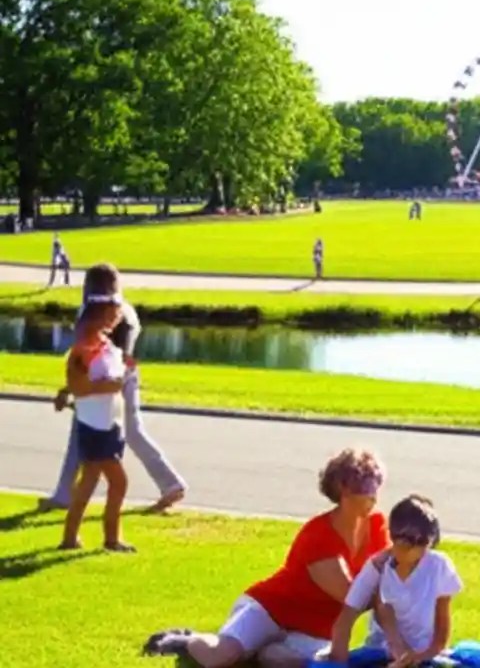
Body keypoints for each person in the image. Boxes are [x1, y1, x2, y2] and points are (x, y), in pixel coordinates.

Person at [143, 448, 391, 666]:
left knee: (285, 661)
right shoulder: (318, 534)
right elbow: (350, 595)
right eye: (366, 488)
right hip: (270, 608)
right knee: (221, 656)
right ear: (343, 490)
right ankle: (186, 640)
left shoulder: (377, 524)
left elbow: (388, 576)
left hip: (314, 629)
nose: (374, 496)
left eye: (376, 486)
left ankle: (258, 651)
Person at [42, 263, 186, 514]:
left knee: (121, 432)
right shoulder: (93, 311)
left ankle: (171, 484)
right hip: (100, 375)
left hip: (118, 377)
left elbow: (118, 360)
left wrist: (87, 389)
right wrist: (73, 387)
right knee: (106, 431)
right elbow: (84, 356)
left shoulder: (122, 317)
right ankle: (64, 494)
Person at [329, 495, 462, 668]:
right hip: (381, 654)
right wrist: (338, 664)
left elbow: (440, 636)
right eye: (401, 541)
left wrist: (420, 657)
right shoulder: (378, 568)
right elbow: (344, 623)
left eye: (421, 543)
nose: (405, 549)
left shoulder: (438, 566)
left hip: (426, 658)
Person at [59, 291, 133, 553]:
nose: (117, 317)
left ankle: (70, 538)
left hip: (109, 422)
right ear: (98, 315)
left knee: (88, 482)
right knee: (119, 482)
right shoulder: (83, 348)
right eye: (112, 312)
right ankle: (111, 539)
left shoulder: (105, 343)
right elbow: (79, 386)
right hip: (95, 426)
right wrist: (110, 386)